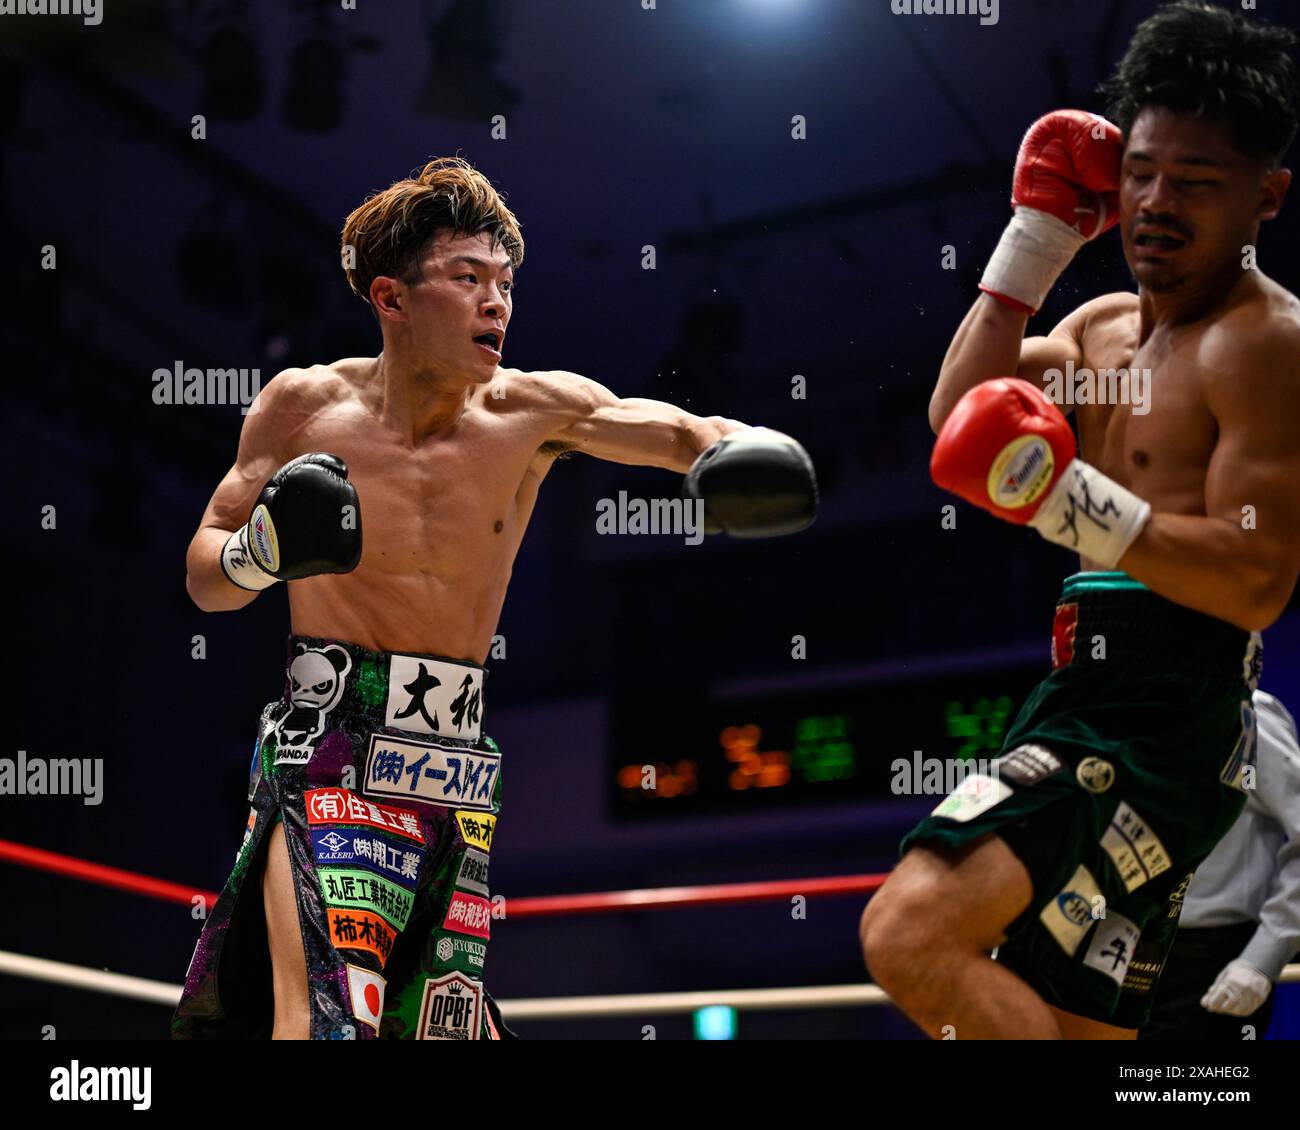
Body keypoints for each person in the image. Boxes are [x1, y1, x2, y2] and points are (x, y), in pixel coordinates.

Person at [172, 157, 817, 1040]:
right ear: (391, 298)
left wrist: (735, 448)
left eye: (505, 283)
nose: (497, 303)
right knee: (329, 1015)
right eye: (468, 278)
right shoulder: (302, 407)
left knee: (437, 1028)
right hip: (330, 743)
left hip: (457, 761)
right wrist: (257, 554)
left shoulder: (532, 414)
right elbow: (204, 574)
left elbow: (675, 430)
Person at [860, 1, 1300, 1039]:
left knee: (908, 930)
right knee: (1080, 1026)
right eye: (1140, 172)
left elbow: (1256, 576)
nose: (1156, 201)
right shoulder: (1097, 326)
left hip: (1165, 716)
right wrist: (1035, 243)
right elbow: (956, 419)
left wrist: (1067, 501)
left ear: (1264, 196)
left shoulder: (1265, 343)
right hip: (1081, 689)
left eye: (1195, 181)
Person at [1140, 689, 1300, 1039]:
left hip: (1207, 960)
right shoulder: (1110, 710)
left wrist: (1262, 956)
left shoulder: (1246, 713)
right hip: (1119, 950)